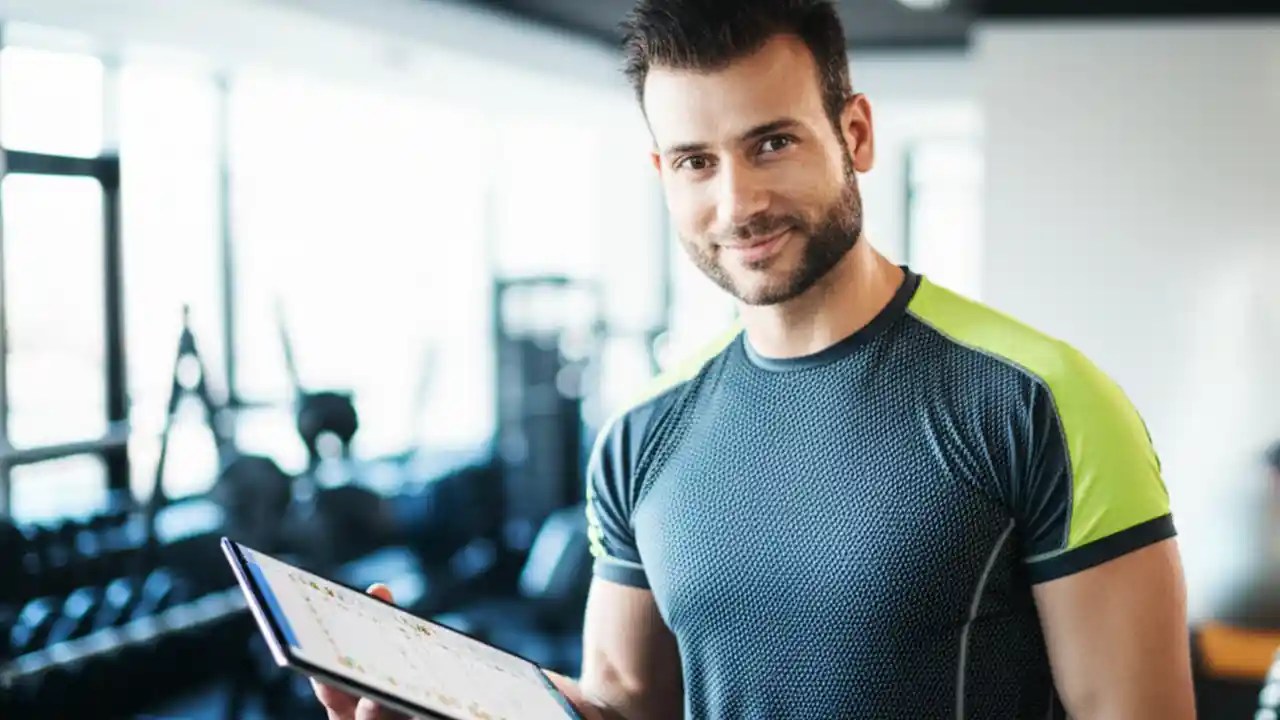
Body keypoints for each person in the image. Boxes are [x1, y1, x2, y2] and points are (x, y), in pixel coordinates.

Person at [314, 1, 1196, 717]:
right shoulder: (641, 434)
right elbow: (624, 705)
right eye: (696, 161)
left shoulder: (1038, 401)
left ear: (855, 134)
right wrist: (446, 704)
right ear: (663, 172)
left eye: (771, 143)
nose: (737, 203)